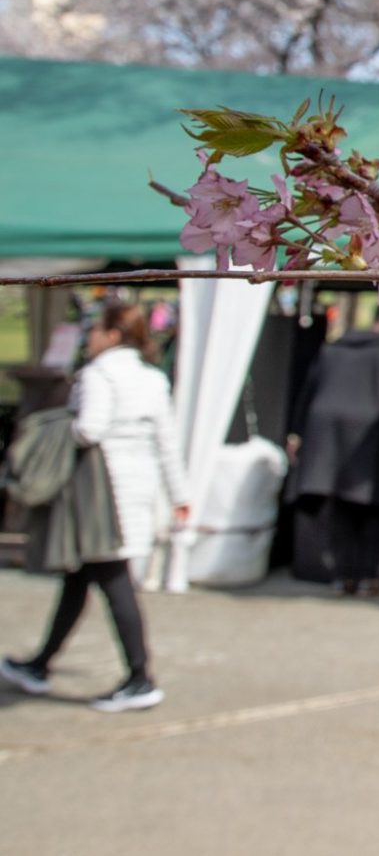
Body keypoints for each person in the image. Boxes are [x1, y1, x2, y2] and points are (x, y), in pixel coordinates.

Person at [2, 304, 189, 712]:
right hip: (137, 488)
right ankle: (40, 664)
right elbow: (167, 442)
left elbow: (89, 428)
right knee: (80, 578)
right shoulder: (152, 378)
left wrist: (55, 429)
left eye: (95, 330)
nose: (90, 337)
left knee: (112, 578)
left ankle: (139, 677)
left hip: (100, 494)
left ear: (113, 334)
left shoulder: (98, 375)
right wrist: (180, 496)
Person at [286, 302, 379, 596]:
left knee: (340, 506)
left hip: (327, 432)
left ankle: (343, 576)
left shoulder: (334, 347)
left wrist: (297, 431)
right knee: (374, 506)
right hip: (374, 433)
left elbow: (309, 389)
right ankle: (368, 575)